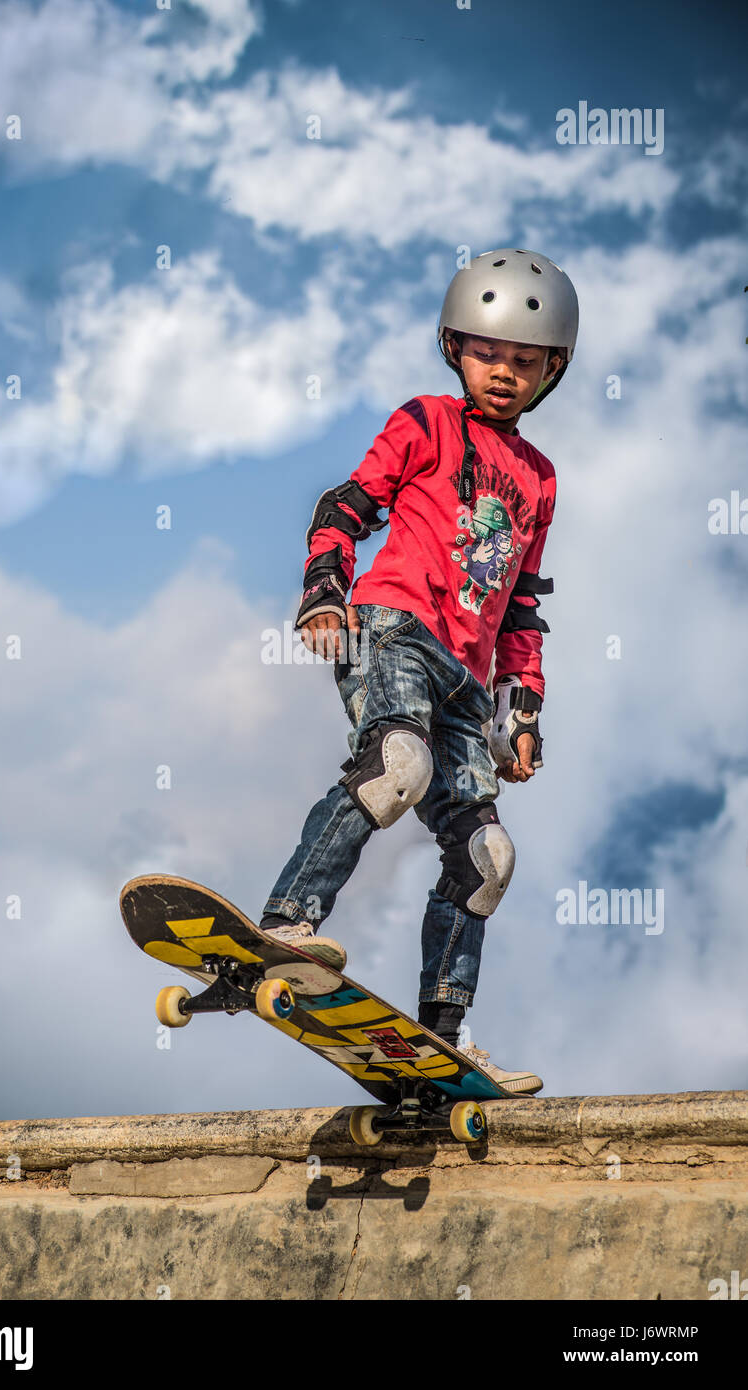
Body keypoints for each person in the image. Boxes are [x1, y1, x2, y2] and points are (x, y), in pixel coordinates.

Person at [258, 249, 578, 1094]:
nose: (504, 374)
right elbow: (347, 506)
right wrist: (325, 589)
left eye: (525, 361)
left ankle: (440, 1040)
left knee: (488, 858)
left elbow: (521, 607)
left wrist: (523, 709)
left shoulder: (540, 481)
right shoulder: (427, 422)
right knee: (397, 767)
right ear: (453, 349)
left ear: (554, 368)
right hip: (393, 629)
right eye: (487, 354)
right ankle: (286, 926)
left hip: (468, 685)